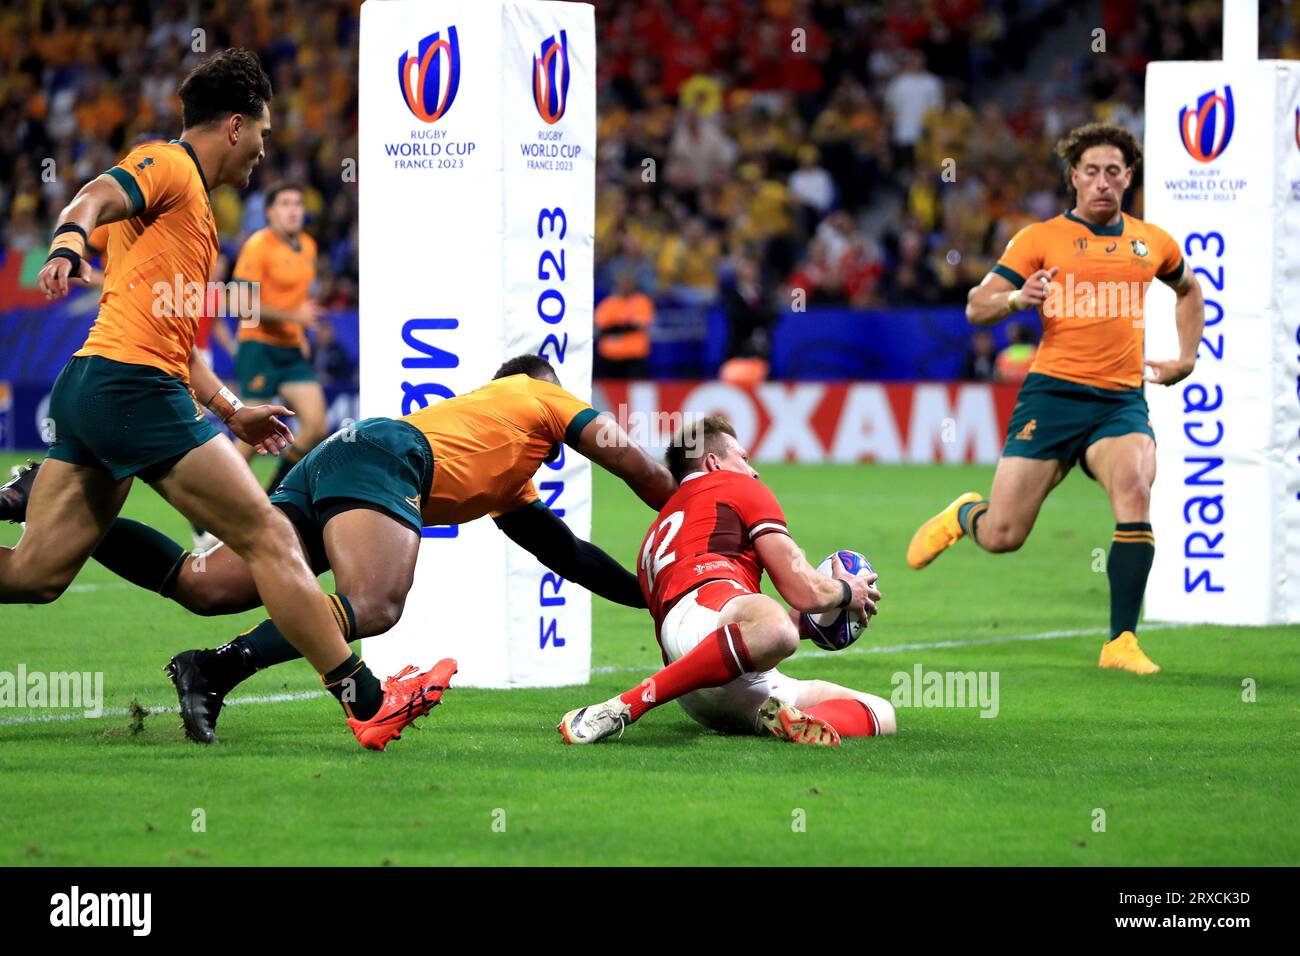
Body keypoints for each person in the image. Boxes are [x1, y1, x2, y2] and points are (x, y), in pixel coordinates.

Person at [3, 49, 445, 751]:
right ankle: (364, 698)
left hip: (98, 384)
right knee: (270, 539)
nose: (262, 156)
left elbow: (173, 327)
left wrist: (229, 406)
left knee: (35, 574)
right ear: (235, 126)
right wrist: (64, 244)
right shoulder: (170, 166)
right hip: (134, 389)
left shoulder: (187, 213)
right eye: (263, 138)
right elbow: (91, 196)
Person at [66, 355, 676, 747]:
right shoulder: (537, 393)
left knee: (208, 585)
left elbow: (567, 554)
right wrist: (687, 508)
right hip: (385, 457)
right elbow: (630, 458)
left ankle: (49, 497)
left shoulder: (508, 477)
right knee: (376, 603)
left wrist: (651, 595)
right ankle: (216, 668)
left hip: (339, 455)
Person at [906, 123, 1206, 675]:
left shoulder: (1152, 242)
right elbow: (977, 305)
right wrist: (1019, 297)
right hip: (1052, 398)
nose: (1102, 182)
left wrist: (1187, 356)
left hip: (1119, 402)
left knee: (1136, 489)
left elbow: (1189, 290)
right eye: (1090, 171)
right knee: (1002, 536)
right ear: (1073, 177)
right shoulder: (1040, 239)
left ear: (1128, 178)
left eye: (1113, 171)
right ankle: (964, 513)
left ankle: (1120, 642)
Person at [558, 415, 897, 746]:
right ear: (713, 462)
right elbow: (802, 590)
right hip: (708, 630)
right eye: (743, 458)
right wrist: (843, 591)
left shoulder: (657, 532)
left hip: (697, 686)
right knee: (775, 627)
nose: (754, 470)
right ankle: (625, 705)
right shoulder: (740, 488)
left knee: (881, 713)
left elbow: (727, 631)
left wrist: (819, 623)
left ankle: (787, 721)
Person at [230, 183, 328, 493]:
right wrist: (293, 318)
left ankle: (276, 495)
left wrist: (299, 332)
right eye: (285, 204)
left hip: (290, 349)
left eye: (298, 203)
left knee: (315, 427)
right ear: (270, 212)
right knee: (251, 436)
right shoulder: (259, 245)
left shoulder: (309, 246)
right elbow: (240, 303)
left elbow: (297, 299)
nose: (293, 210)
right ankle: (207, 511)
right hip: (258, 346)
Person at [593, 270, 654, 379]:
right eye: (623, 282)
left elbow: (639, 325)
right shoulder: (609, 303)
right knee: (609, 390)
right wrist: (625, 326)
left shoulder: (641, 301)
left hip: (634, 356)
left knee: (634, 391)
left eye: (628, 282)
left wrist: (614, 327)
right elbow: (600, 326)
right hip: (609, 357)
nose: (625, 285)